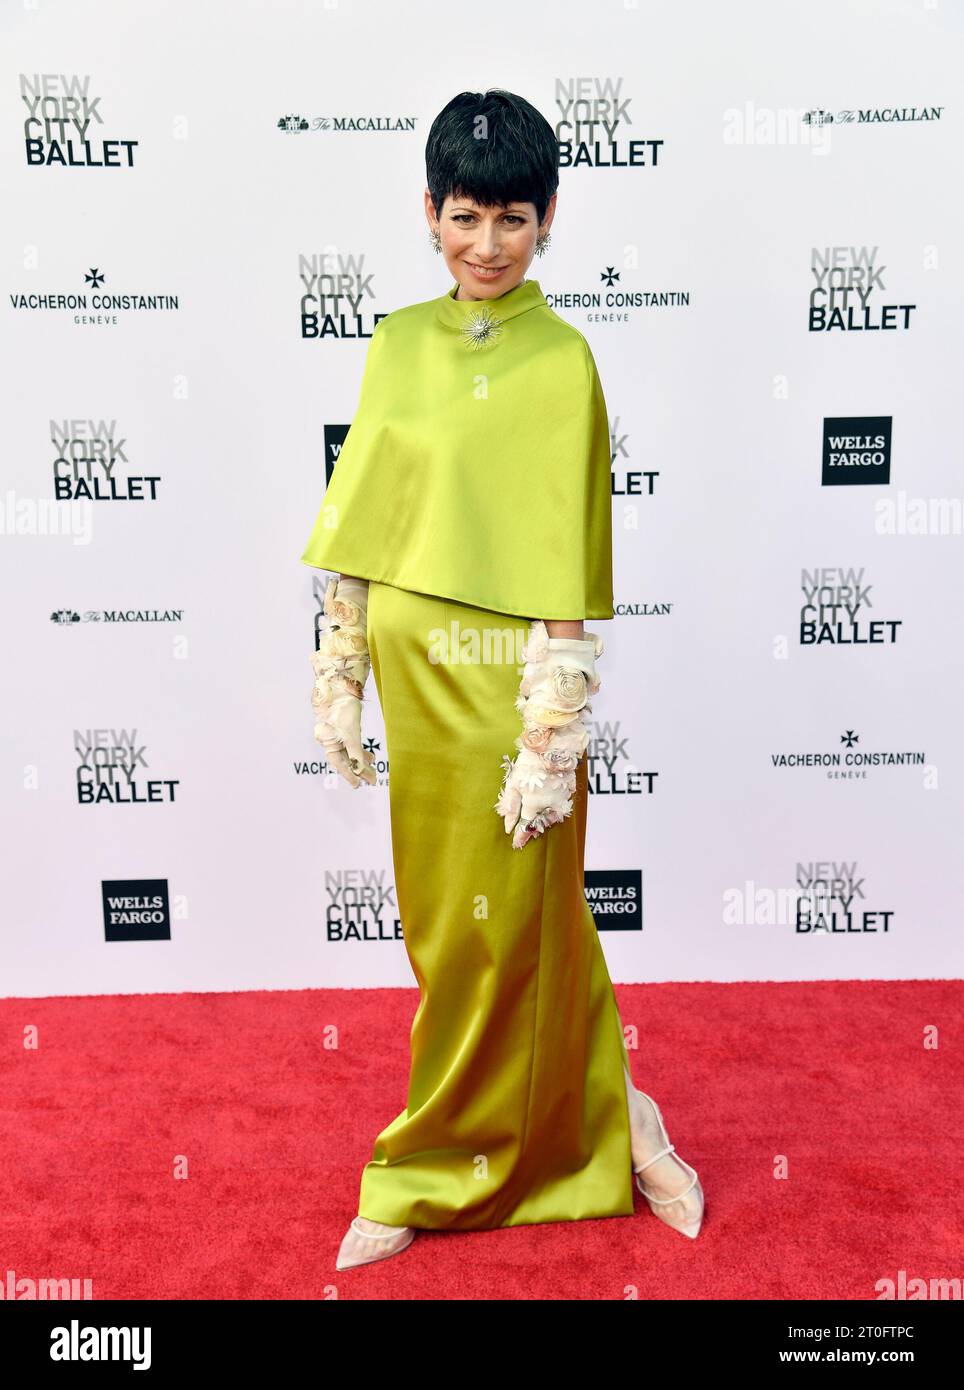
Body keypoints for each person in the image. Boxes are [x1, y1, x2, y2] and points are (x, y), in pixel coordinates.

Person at [300, 89, 705, 1271]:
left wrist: (550, 733)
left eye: (513, 218)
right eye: (466, 215)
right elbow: (364, 519)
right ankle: (624, 1121)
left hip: (510, 688)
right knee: (446, 930)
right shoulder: (394, 343)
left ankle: (439, 1164)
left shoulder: (564, 361)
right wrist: (339, 666)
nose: (487, 245)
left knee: (527, 917)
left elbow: (564, 558)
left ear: (550, 220)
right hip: (412, 675)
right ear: (428, 214)